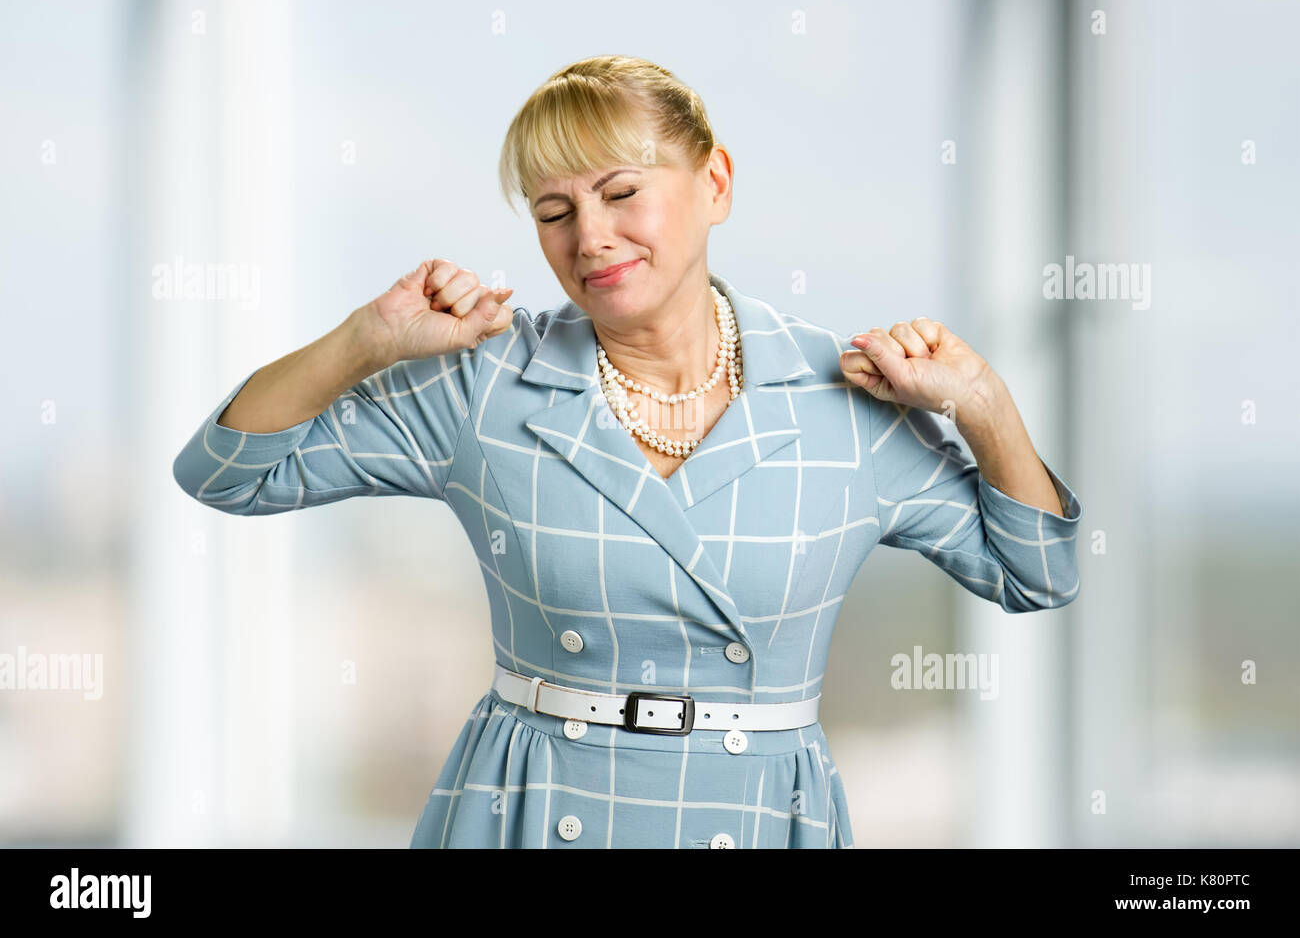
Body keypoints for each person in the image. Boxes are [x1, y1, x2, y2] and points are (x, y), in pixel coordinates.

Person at [172, 54, 1082, 849]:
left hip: (760, 813)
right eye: (553, 210)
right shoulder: (486, 383)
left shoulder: (844, 396)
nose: (589, 237)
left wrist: (984, 406)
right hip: (530, 810)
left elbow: (1038, 574)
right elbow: (225, 472)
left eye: (620, 192)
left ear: (715, 182)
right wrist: (367, 338)